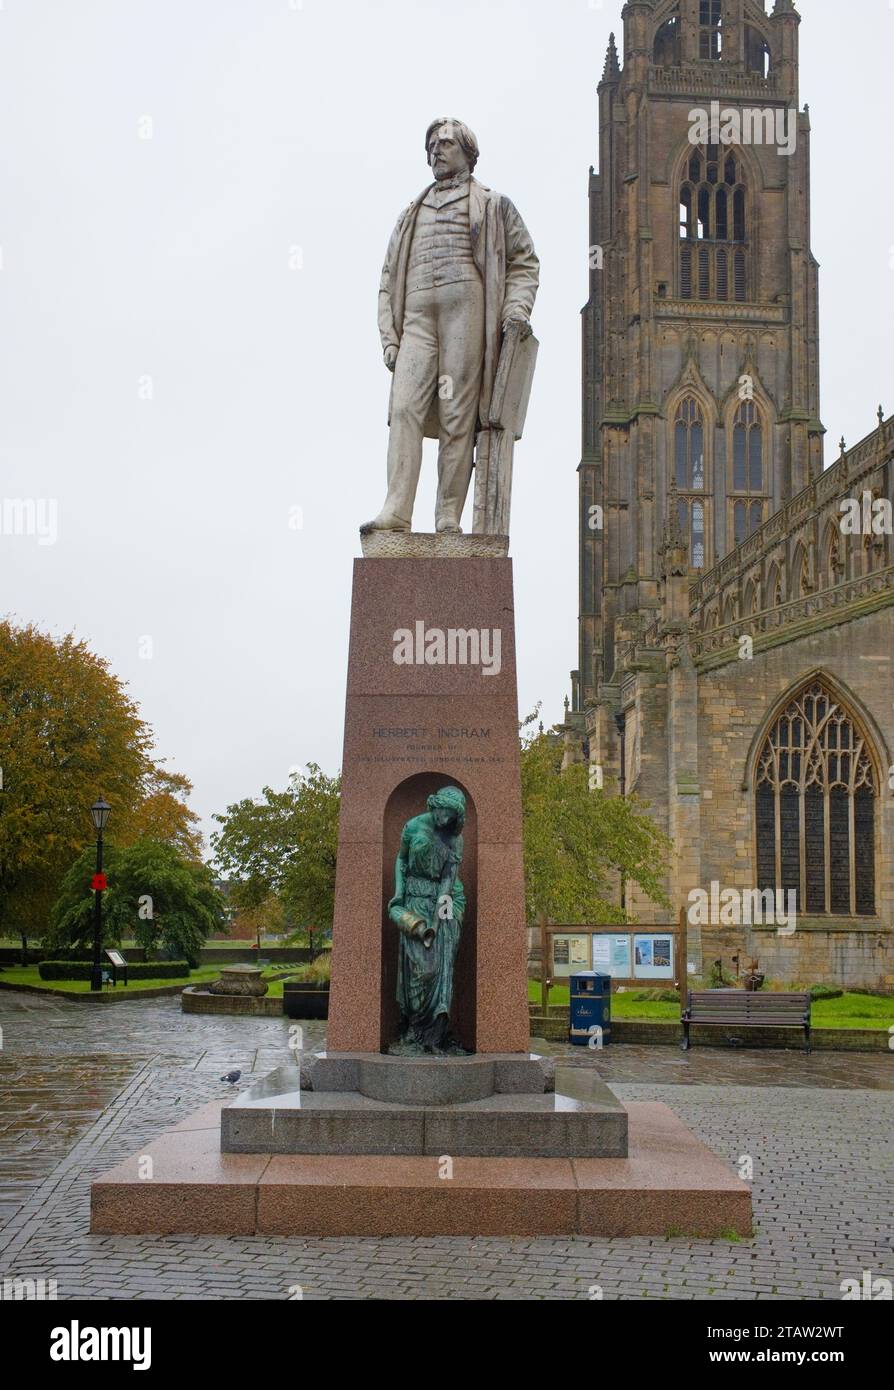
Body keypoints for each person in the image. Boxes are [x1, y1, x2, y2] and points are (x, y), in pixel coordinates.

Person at [388, 785, 467, 1051]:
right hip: (413, 899)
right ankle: (412, 1027)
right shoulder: (412, 827)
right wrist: (399, 895)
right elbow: (401, 861)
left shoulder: (455, 838)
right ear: (436, 804)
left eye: (452, 816)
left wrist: (438, 920)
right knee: (419, 970)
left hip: (440, 901)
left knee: (439, 967)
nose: (446, 820)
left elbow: (448, 878)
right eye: (445, 812)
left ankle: (434, 1034)